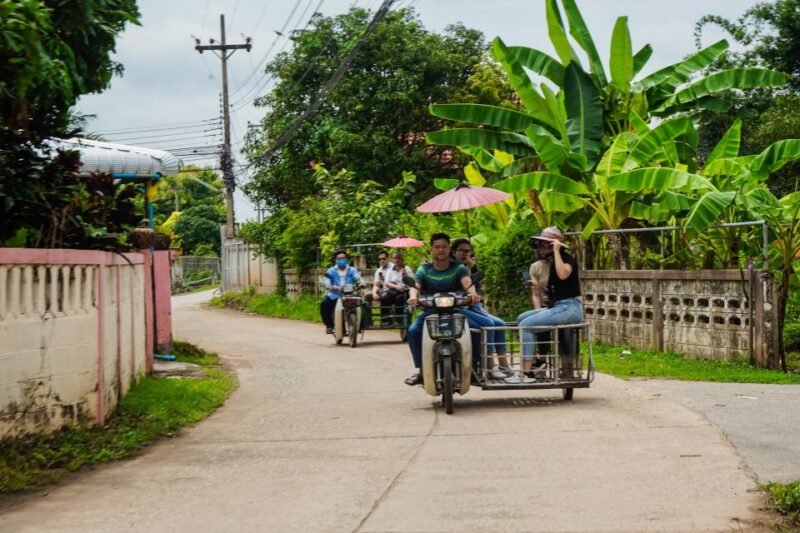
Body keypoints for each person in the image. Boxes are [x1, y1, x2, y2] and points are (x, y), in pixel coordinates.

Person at [506, 227, 583, 383]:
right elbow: (546, 291)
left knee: (527, 325)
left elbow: (563, 274)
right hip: (557, 307)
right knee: (522, 318)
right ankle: (534, 361)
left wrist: (556, 250)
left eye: (545, 244)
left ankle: (526, 373)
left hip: (570, 307)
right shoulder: (542, 265)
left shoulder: (567, 260)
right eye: (540, 244)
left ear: (553, 245)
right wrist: (535, 287)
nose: (540, 247)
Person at [404, 233, 481, 386]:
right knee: (413, 331)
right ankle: (421, 371)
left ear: (449, 249)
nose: (441, 250)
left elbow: (467, 282)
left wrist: (473, 294)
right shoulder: (424, 269)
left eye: (444, 246)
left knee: (476, 330)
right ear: (431, 250)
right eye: (437, 247)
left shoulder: (458, 268)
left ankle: (473, 368)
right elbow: (416, 286)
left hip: (456, 310)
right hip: (430, 311)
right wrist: (413, 297)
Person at [450, 238, 511, 380]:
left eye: (468, 251)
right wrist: (469, 269)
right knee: (488, 324)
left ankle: (504, 365)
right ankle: (489, 365)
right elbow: (465, 287)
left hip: (473, 307)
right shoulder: (453, 269)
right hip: (459, 307)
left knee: (500, 324)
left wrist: (471, 268)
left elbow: (475, 290)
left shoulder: (469, 267)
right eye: (461, 251)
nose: (464, 254)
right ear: (453, 252)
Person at [320, 249, 366, 334]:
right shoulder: (331, 270)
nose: (341, 260)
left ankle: (361, 325)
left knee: (363, 304)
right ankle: (329, 326)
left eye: (343, 258)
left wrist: (362, 284)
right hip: (335, 294)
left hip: (350, 294)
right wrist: (330, 286)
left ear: (347, 259)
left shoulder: (352, 270)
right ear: (336, 260)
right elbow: (327, 280)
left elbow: (358, 278)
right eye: (339, 259)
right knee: (324, 303)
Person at [382, 251, 415, 325]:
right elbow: (387, 283)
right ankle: (386, 320)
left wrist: (405, 274)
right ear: (392, 259)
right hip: (394, 290)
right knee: (385, 298)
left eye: (398, 258)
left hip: (405, 291)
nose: (396, 260)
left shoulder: (407, 269)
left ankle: (398, 319)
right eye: (394, 258)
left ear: (401, 259)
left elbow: (412, 283)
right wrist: (396, 287)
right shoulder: (390, 270)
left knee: (399, 299)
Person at [365, 250, 393, 325]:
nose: (382, 261)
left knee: (385, 296)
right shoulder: (379, 271)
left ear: (388, 258)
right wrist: (374, 293)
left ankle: (385, 320)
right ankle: (369, 320)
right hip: (382, 290)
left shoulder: (393, 268)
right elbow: (376, 284)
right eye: (379, 259)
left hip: (392, 291)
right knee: (367, 297)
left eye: (384, 258)